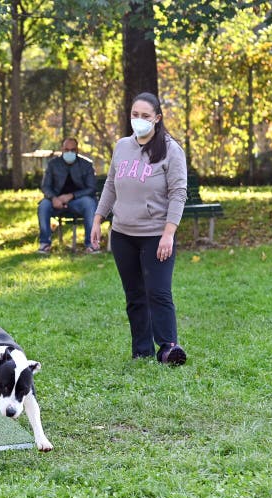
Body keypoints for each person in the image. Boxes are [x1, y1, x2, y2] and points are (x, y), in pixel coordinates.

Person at [90, 92, 188, 365]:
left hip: (156, 235)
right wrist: (98, 218)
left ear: (157, 118)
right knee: (134, 294)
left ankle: (168, 348)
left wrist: (169, 233)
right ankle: (141, 350)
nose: (139, 120)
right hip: (123, 234)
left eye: (145, 116)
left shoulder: (171, 150)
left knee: (158, 292)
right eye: (135, 115)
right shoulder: (122, 146)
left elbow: (179, 193)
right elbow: (111, 184)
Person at [37, 137, 99, 254]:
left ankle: (91, 244)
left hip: (78, 201)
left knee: (90, 203)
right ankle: (44, 243)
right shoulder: (53, 165)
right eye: (66, 149)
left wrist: (71, 196)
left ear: (77, 150)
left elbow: (91, 188)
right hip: (56, 201)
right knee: (43, 206)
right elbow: (45, 186)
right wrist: (54, 198)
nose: (69, 152)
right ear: (62, 149)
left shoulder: (86, 165)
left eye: (73, 150)